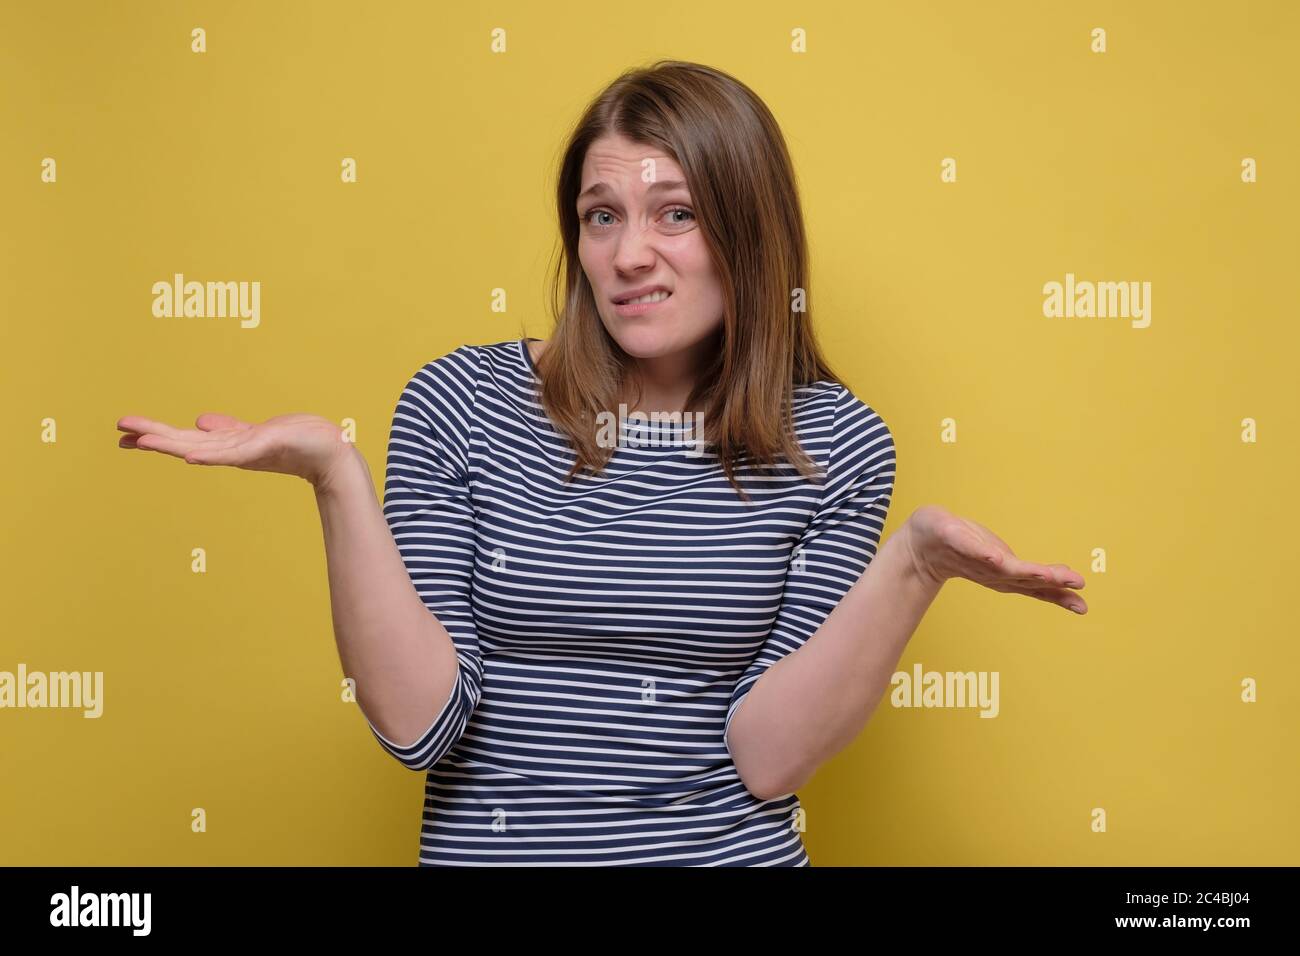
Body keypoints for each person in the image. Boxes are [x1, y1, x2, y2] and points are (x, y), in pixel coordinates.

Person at [116, 60, 1087, 866]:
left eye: (675, 213)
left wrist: (913, 565)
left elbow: (768, 757)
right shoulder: (460, 404)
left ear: (749, 233)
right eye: (601, 215)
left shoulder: (832, 441)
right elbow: (421, 727)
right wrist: (335, 476)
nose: (629, 253)